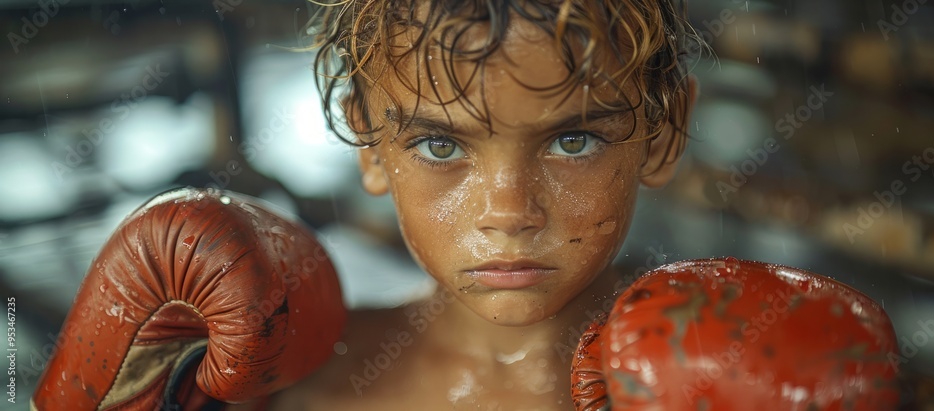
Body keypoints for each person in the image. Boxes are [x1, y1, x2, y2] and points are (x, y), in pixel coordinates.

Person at [251, 0, 700, 409]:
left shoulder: (728, 367)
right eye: (440, 146)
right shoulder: (294, 379)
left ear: (664, 136)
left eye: (572, 142)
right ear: (369, 147)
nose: (507, 214)